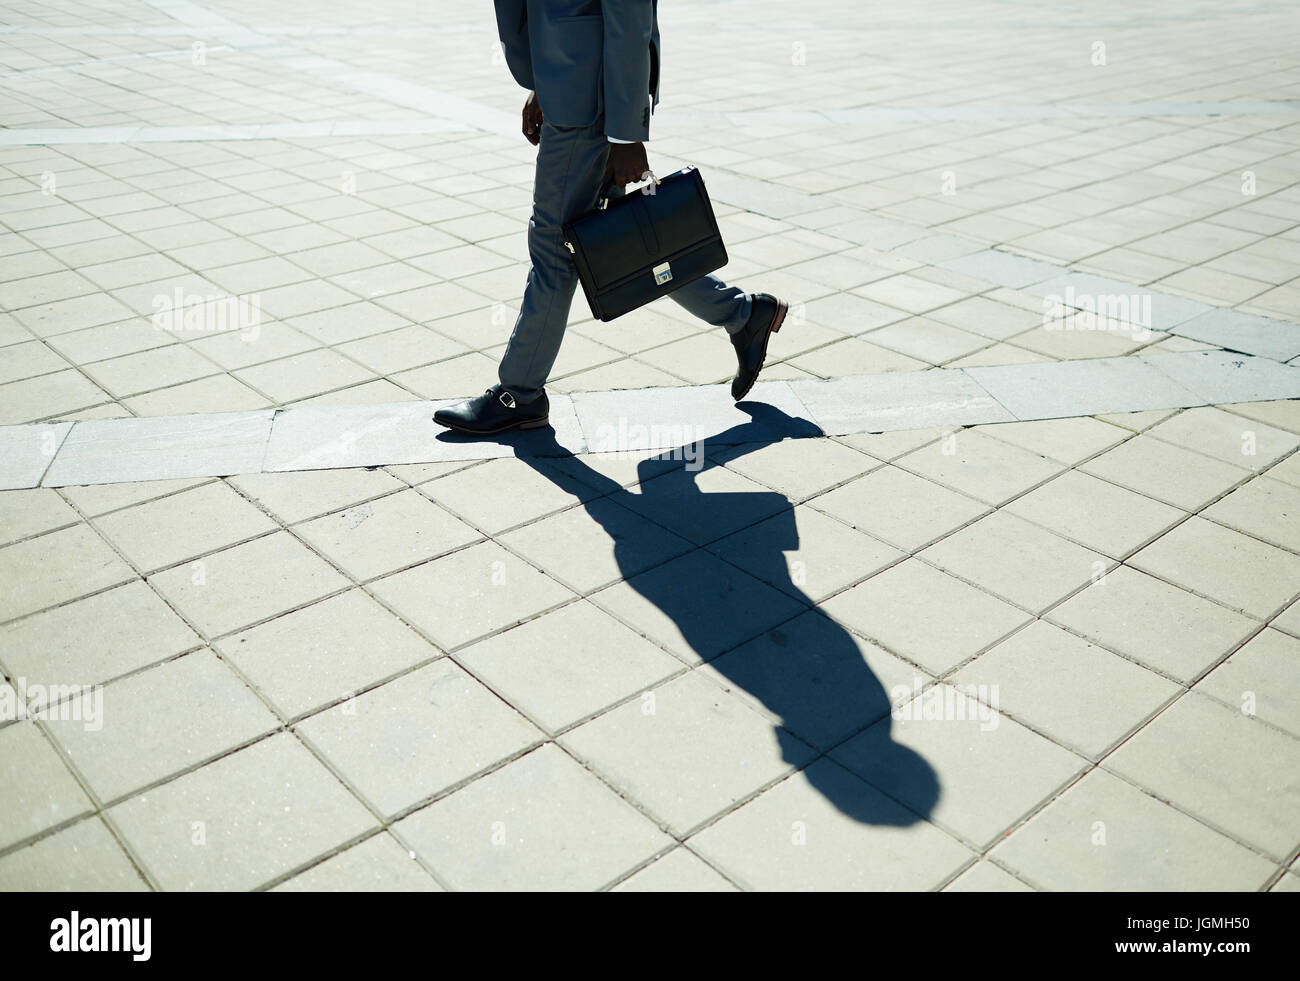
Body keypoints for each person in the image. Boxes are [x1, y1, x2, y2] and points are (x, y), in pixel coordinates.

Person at [434, 0, 789, 435]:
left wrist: (626, 134)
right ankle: (743, 315)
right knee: (611, 242)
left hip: (590, 106)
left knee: (554, 247)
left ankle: (519, 394)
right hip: (571, 87)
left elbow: (629, 18)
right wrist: (544, 81)